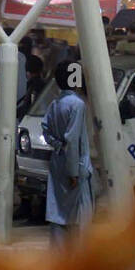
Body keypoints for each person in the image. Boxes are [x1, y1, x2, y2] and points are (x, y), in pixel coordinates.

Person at [41, 59, 94, 245]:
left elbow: (46, 130)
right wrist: (73, 172)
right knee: (79, 216)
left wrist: (57, 146)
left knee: (58, 213)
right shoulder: (77, 105)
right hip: (76, 166)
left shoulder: (55, 104)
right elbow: (73, 140)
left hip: (57, 163)